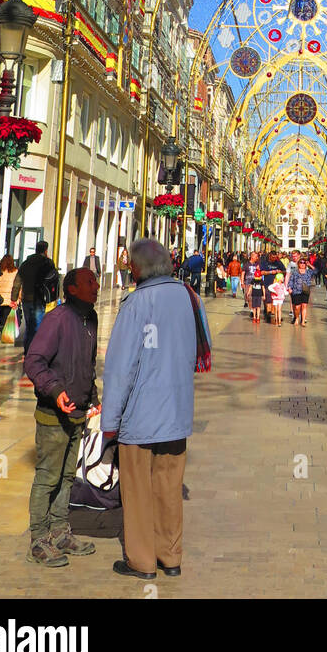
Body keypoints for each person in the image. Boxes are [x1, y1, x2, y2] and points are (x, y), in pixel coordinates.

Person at [101, 238, 210, 579]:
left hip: (141, 414)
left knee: (137, 490)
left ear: (137, 268)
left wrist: (110, 420)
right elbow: (198, 348)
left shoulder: (137, 303)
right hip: (177, 412)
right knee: (169, 487)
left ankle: (142, 561)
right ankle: (170, 556)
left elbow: (121, 367)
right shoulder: (189, 297)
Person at [23, 267, 100, 567]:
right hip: (53, 415)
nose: (96, 286)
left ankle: (59, 531)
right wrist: (55, 391)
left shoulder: (89, 318)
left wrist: (92, 397)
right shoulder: (58, 319)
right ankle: (38, 540)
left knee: (67, 476)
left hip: (78, 413)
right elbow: (34, 360)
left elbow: (88, 364)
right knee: (47, 477)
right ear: (71, 289)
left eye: (95, 280)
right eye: (89, 282)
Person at [11, 241, 59, 353]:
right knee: (38, 325)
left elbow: (17, 282)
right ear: (45, 250)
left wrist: (13, 298)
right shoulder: (47, 263)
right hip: (39, 297)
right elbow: (53, 280)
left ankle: (28, 349)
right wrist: (54, 296)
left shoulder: (26, 263)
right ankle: (35, 350)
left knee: (29, 325)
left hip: (26, 298)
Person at [287, 255, 315, 325]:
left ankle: (302, 321)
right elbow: (291, 280)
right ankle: (296, 318)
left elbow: (316, 271)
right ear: (298, 264)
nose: (302, 264)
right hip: (296, 291)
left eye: (304, 263)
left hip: (305, 291)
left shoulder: (308, 272)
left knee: (304, 306)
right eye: (301, 263)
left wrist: (310, 265)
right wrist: (289, 288)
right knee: (297, 307)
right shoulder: (295, 272)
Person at [0, 254, 19, 328]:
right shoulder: (15, 272)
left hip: (0, 298)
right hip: (11, 299)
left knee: (2, 316)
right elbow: (18, 286)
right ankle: (6, 334)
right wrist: (18, 299)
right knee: (8, 318)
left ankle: (2, 330)